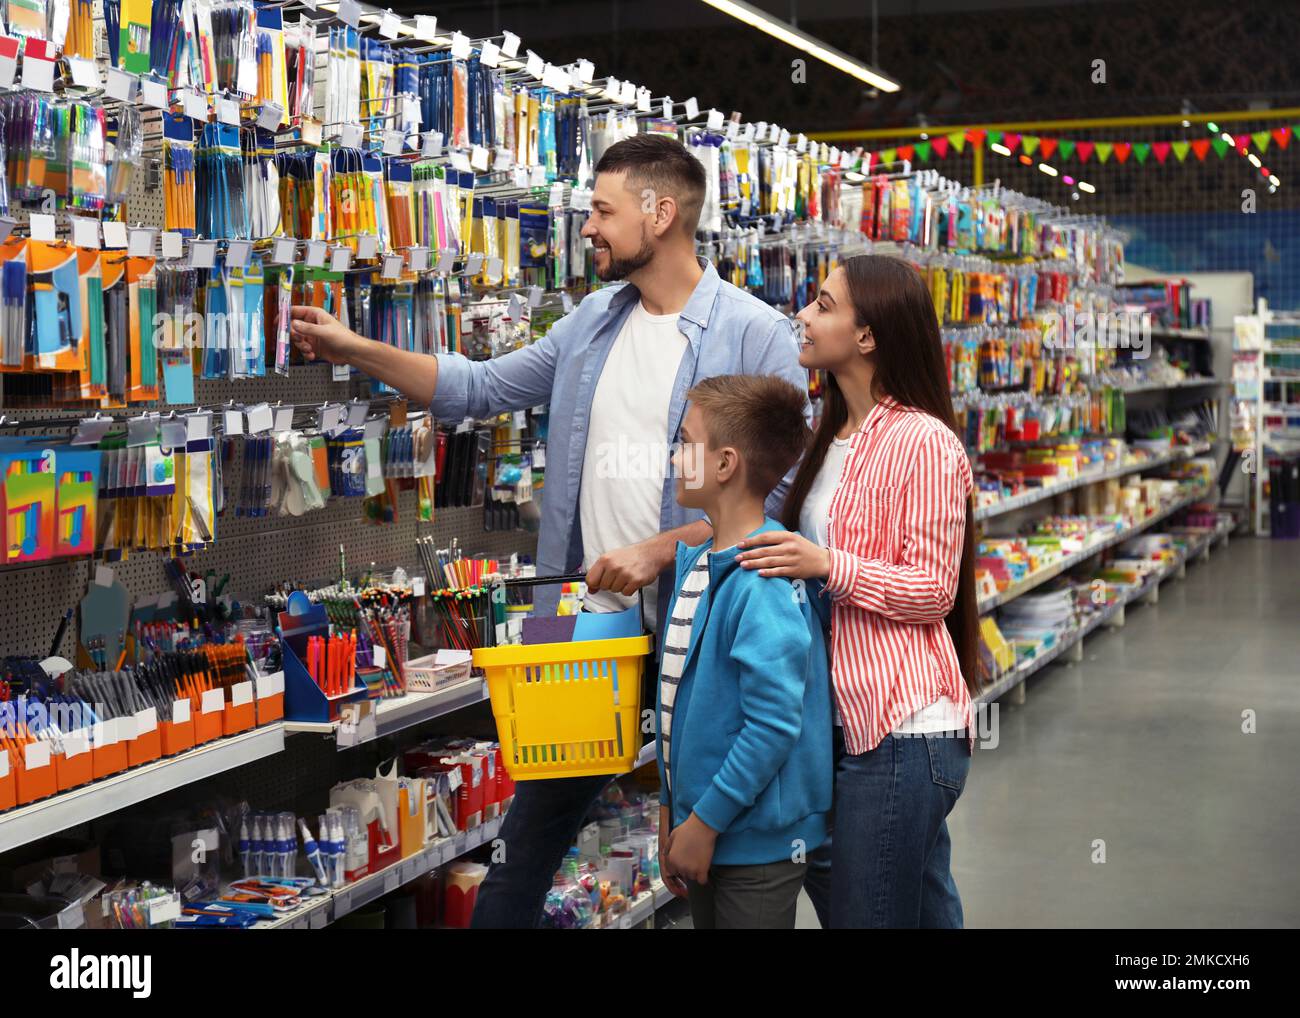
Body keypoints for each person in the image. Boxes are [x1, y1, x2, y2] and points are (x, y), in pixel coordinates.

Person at [288, 134, 808, 928]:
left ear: (660, 213)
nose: (588, 228)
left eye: (602, 209)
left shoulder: (757, 334)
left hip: (700, 640)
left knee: (723, 850)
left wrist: (658, 551)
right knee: (524, 850)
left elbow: (773, 511)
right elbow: (480, 386)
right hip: (585, 636)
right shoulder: (595, 320)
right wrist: (350, 346)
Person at [734, 253, 979, 929]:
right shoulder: (832, 435)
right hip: (852, 724)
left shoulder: (922, 442)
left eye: (821, 304)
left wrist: (827, 565)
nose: (802, 316)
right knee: (925, 910)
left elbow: (933, 591)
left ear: (866, 335)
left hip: (903, 728)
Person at [657, 374, 831, 929]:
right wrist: (674, 816)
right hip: (705, 828)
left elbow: (773, 725)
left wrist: (704, 822)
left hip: (753, 843)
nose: (675, 455)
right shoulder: (700, 564)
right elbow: (674, 710)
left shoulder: (761, 583)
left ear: (726, 463)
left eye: (685, 441)